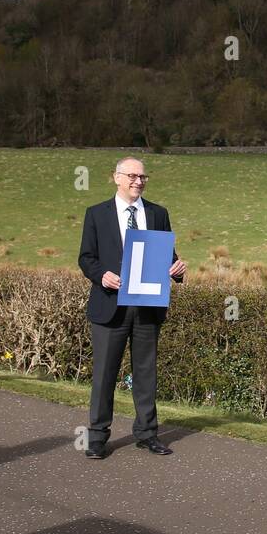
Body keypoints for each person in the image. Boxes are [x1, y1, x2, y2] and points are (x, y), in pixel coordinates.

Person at [78, 157, 186, 460]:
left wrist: (177, 268)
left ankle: (147, 434)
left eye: (143, 177)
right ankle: (98, 437)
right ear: (116, 178)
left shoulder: (158, 213)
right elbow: (86, 257)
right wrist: (101, 275)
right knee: (104, 374)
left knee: (145, 373)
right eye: (132, 176)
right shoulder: (96, 214)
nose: (138, 181)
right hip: (109, 306)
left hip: (147, 307)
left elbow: (169, 257)